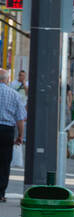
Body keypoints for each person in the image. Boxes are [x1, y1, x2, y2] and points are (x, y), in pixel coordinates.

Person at [0, 68, 26, 201]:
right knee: (4, 162)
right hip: (7, 130)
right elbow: (20, 119)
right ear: (7, 79)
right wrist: (20, 136)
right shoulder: (14, 94)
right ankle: (1, 193)